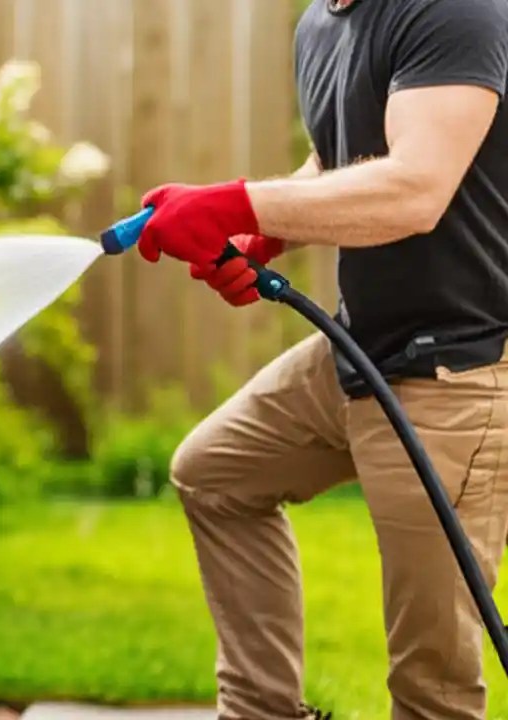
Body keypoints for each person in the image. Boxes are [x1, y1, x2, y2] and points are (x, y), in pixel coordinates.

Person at [131, 0, 508, 718]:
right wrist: (264, 235)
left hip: (457, 371)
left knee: (433, 686)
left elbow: (415, 189)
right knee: (216, 475)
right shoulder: (323, 23)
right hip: (363, 345)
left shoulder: (452, 9)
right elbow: (337, 161)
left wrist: (238, 203)